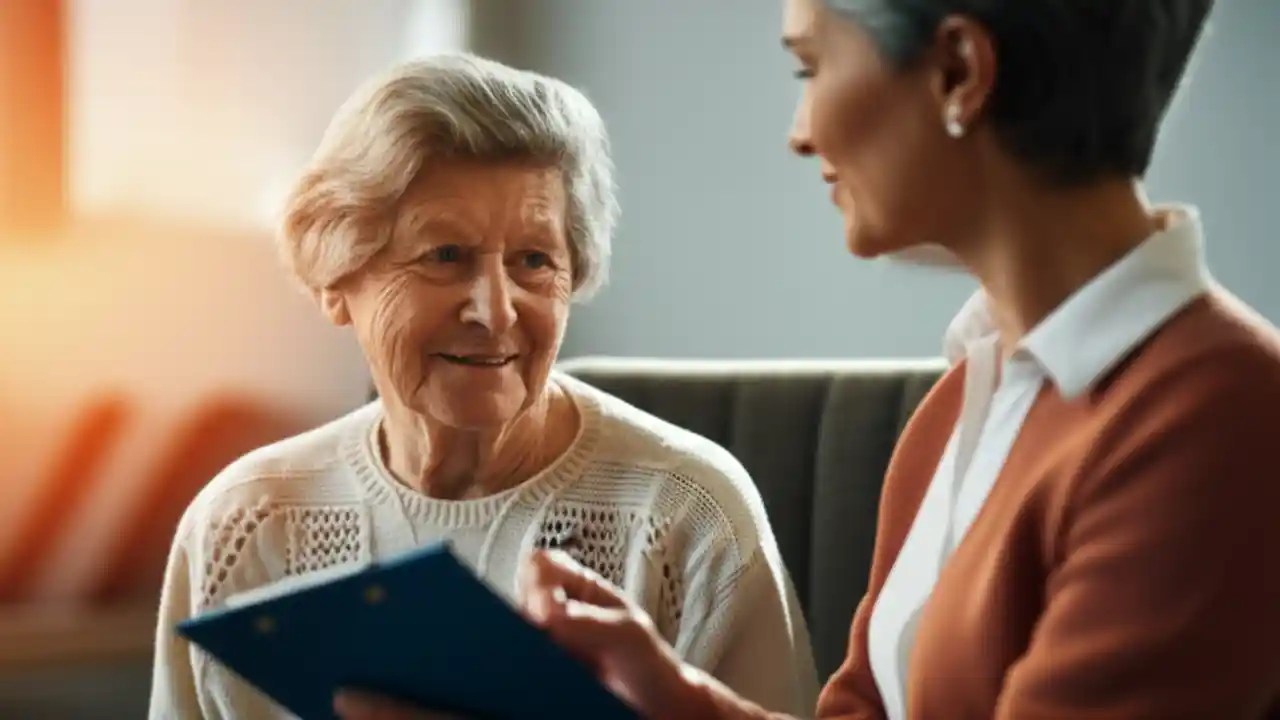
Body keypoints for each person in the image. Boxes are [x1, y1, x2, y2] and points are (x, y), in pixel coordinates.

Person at [333, 0, 1280, 719]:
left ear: (957, 71)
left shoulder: (1218, 424)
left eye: (810, 65)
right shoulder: (967, 400)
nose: (800, 130)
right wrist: (669, 699)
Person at [148, 53, 819, 719]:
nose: (495, 311)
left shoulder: (684, 512)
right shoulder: (244, 522)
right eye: (445, 256)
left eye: (534, 261)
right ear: (337, 279)